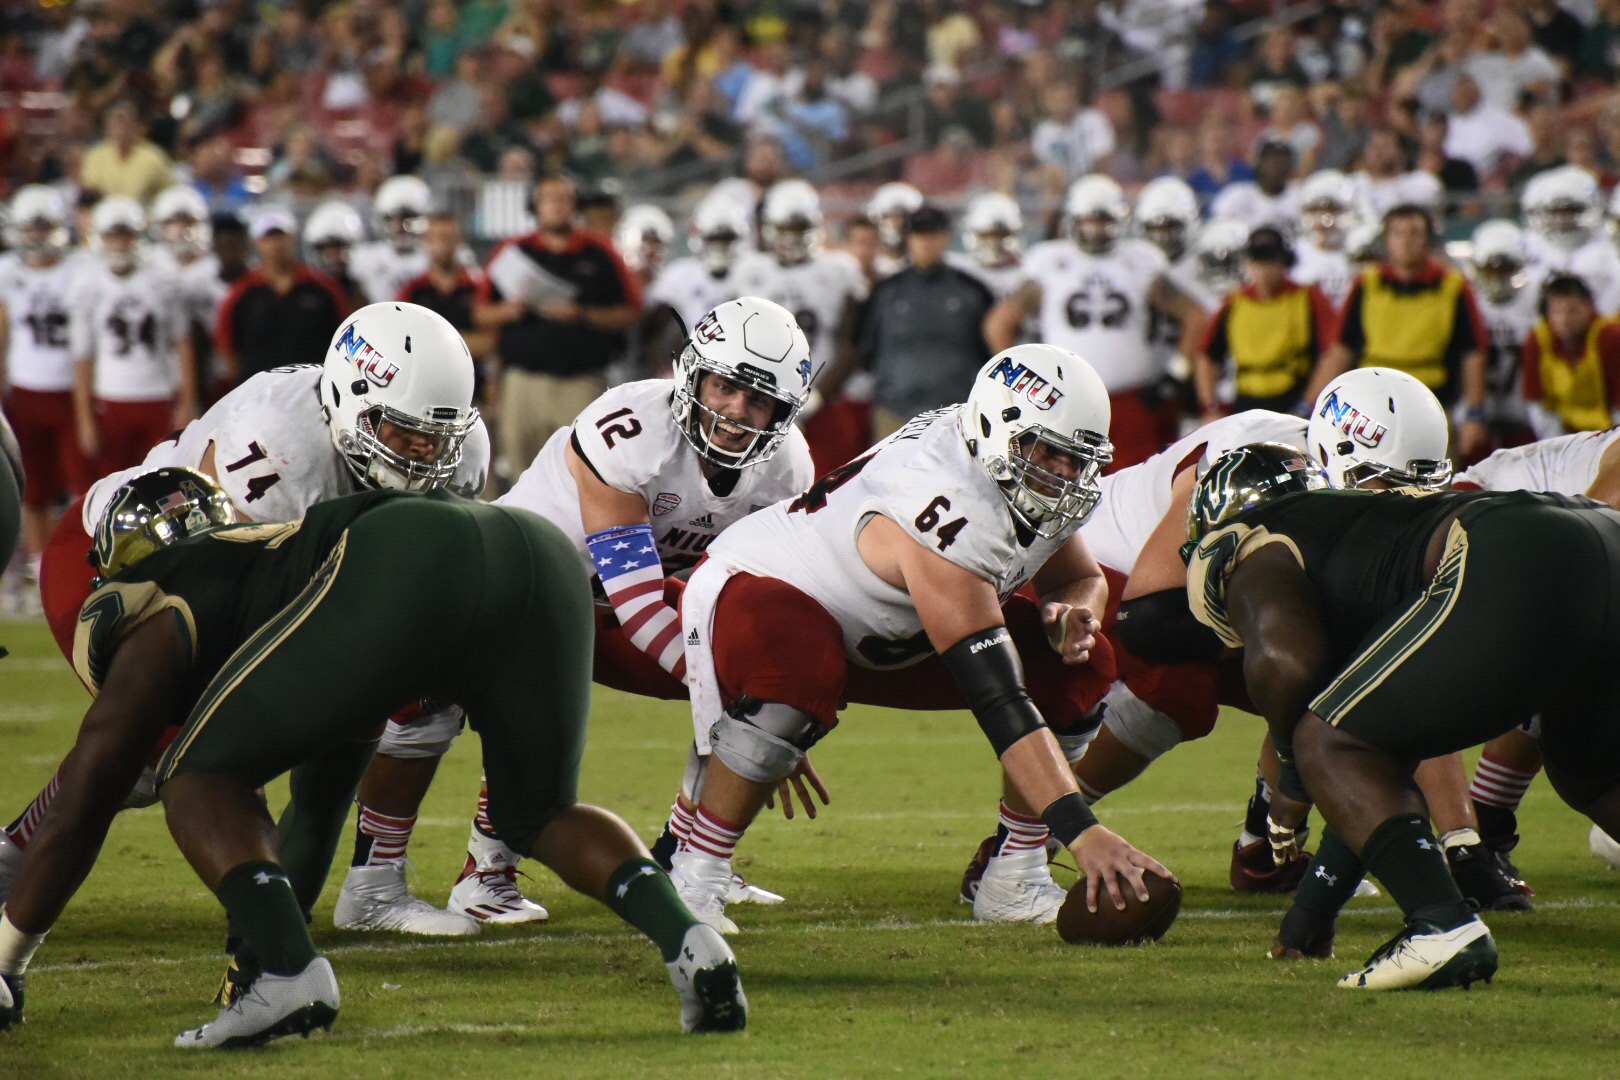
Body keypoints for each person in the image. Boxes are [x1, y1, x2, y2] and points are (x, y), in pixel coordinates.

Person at [0, 470, 747, 1042]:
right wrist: (257, 950)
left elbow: (83, 803)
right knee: (542, 812)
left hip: (407, 556)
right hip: (539, 551)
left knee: (195, 774)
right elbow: (319, 809)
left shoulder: (154, 591)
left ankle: (290, 977)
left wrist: (8, 958)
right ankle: (690, 938)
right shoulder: (293, 592)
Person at [334, 298, 820, 931]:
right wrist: (738, 713)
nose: (736, 412)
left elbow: (734, 599)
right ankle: (387, 886)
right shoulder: (632, 430)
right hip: (511, 589)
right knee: (430, 711)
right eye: (725, 387)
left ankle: (690, 855)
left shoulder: (787, 468)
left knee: (756, 669)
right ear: (693, 374)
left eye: (759, 401)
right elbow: (640, 607)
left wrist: (768, 713)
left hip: (598, 606)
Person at [663, 344, 1173, 933]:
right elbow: (999, 701)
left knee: (1078, 666)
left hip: (883, 629)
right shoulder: (948, 498)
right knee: (798, 674)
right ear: (998, 429)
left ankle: (1014, 875)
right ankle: (696, 873)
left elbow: (1080, 578)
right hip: (766, 588)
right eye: (1050, 453)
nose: (1063, 474)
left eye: (1076, 459)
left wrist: (1072, 611)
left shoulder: (1006, 462)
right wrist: (1083, 833)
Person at [0, 304, 490, 899]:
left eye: (437, 436)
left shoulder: (462, 455)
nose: (422, 453)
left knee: (429, 690)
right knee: (185, 751)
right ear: (350, 398)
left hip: (264, 587)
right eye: (402, 431)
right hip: (127, 571)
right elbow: (217, 606)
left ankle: (376, 886)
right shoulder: (281, 446)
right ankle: (16, 859)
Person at [1183, 445, 1620, 989]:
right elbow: (1380, 769)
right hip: (1603, 533)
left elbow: (1283, 660)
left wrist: (1292, 779)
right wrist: (1312, 912)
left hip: (1519, 549)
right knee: (1592, 774)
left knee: (1327, 742)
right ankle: (1427, 920)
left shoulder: (1246, 539)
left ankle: (1442, 927)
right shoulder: (1361, 538)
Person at [984, 175, 1208, 470]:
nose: (1097, 230)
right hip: (1066, 400)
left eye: (1104, 221)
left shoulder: (1140, 260)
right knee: (1065, 480)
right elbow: (999, 324)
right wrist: (1021, 383)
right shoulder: (1051, 262)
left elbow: (1196, 316)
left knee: (1140, 481)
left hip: (1133, 398)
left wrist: (1174, 376)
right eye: (1090, 221)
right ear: (1073, 221)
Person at [475, 174, 643, 485]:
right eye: (549, 199)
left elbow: (631, 312)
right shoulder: (513, 250)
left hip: (580, 381)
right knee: (521, 469)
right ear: (535, 205)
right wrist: (508, 310)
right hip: (523, 380)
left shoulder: (600, 251)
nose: (557, 206)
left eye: (564, 198)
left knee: (583, 470)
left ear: (575, 205)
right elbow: (481, 312)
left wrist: (583, 314)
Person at [1309, 203, 1489, 458]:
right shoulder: (1366, 284)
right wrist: (1311, 405)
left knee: (1431, 477)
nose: (1406, 241)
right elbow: (1341, 349)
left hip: (1430, 406)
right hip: (1368, 407)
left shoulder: (1453, 287)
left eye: (1414, 233)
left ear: (1428, 239)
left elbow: (1473, 354)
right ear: (1386, 240)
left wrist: (1475, 414)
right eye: (1398, 233)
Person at [0, 186, 90, 613]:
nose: (36, 235)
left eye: (43, 226)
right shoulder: (7, 271)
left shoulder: (80, 269)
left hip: (72, 391)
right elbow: (2, 334)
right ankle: (40, 572)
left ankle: (81, 568)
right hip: (26, 390)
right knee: (33, 491)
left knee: (81, 487)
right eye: (30, 226)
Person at [68, 196, 199, 476]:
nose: (119, 244)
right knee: (113, 483)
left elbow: (183, 343)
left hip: (158, 393)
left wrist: (187, 401)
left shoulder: (163, 279)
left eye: (125, 235)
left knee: (165, 479)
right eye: (112, 236)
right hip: (111, 396)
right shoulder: (87, 283)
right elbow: (82, 357)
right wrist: (84, 418)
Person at [856, 206, 995, 442]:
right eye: (919, 235)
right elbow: (864, 349)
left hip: (956, 415)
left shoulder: (972, 291)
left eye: (932, 235)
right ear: (908, 239)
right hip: (894, 412)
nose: (925, 243)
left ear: (945, 238)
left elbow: (989, 353)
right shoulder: (885, 291)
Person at [1195, 227, 1336, 417]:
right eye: (1257, 261)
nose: (1264, 270)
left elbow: (1332, 354)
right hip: (1246, 404)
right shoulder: (1234, 303)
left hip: (1294, 401)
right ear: (1248, 264)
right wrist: (1210, 407)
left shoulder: (1308, 298)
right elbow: (1207, 356)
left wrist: (1307, 404)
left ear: (1284, 262)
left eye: (1271, 261)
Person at [215, 207, 350, 385]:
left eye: (280, 236)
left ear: (293, 238)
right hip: (260, 391)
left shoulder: (323, 287)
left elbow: (346, 335)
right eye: (268, 238)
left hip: (314, 388)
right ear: (256, 243)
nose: (275, 244)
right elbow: (226, 345)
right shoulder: (241, 293)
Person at [1520, 273, 1620, 439]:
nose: (1564, 320)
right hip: (1562, 434)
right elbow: (1537, 403)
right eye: (1556, 312)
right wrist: (1558, 445)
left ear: (1590, 308)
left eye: (1573, 312)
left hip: (1609, 432)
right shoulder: (1538, 339)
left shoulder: (1611, 337)